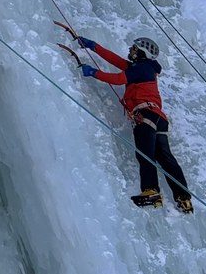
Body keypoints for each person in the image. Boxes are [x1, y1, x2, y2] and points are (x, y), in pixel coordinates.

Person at [70, 30, 194, 212]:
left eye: (135, 48)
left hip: (145, 115)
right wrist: (93, 46)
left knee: (145, 154)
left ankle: (151, 191)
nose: (131, 50)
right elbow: (115, 60)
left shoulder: (142, 68)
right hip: (158, 117)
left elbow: (119, 79)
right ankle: (183, 199)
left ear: (143, 52)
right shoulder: (145, 68)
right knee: (166, 158)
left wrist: (94, 72)